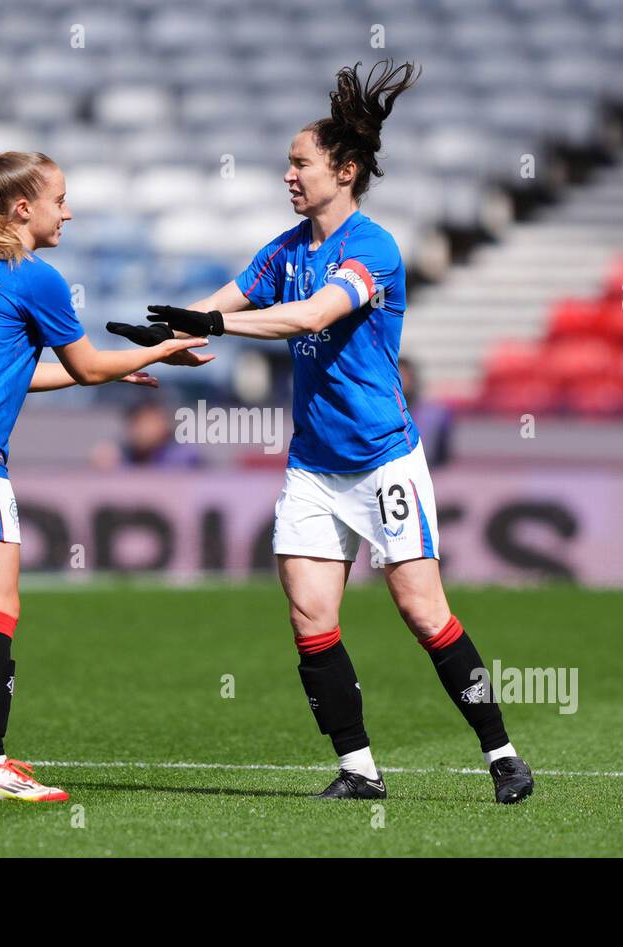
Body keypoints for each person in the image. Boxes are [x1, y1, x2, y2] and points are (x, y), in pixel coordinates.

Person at [109, 60, 533, 803]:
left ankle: (501, 752)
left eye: (299, 163)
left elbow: (308, 317)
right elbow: (223, 301)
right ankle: (360, 769)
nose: (287, 176)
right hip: (312, 464)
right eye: (286, 164)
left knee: (421, 610)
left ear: (345, 169)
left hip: (381, 460)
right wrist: (152, 344)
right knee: (310, 612)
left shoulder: (373, 249)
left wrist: (213, 324)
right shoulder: (285, 249)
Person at [0, 148, 211, 802]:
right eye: (59, 199)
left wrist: (122, 366)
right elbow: (89, 366)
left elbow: (15, 370)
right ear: (23, 207)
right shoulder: (37, 276)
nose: (69, 211)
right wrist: (155, 351)